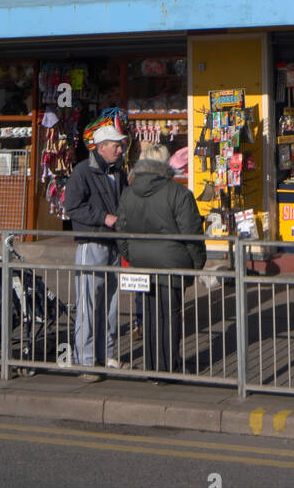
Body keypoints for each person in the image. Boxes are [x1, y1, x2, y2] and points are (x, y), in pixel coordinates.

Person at [116, 143, 206, 376]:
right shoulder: (178, 193)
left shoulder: (129, 192)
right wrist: (196, 265)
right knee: (170, 315)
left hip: (142, 262)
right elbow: (192, 233)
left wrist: (131, 255)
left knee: (150, 314)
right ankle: (169, 367)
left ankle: (152, 365)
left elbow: (121, 230)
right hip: (172, 263)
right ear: (166, 164)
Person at [63, 123, 128, 381]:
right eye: (116, 145)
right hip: (91, 243)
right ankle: (87, 361)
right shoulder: (82, 171)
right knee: (88, 304)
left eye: (120, 144)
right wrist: (105, 218)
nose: (120, 148)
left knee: (110, 304)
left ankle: (106, 355)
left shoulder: (118, 172)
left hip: (112, 244)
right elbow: (73, 207)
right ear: (101, 148)